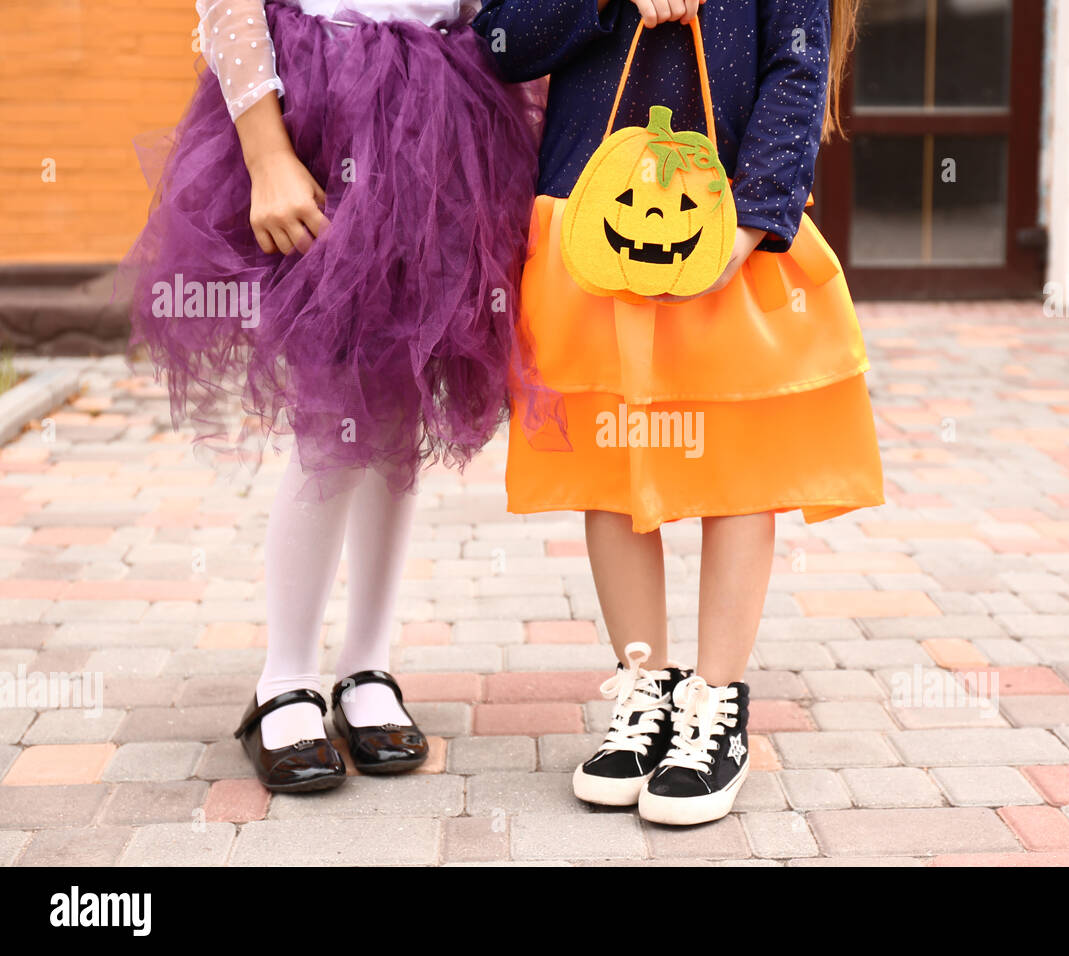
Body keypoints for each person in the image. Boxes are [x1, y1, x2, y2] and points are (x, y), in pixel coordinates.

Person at [474, 0, 882, 824]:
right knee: (612, 463)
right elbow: (505, 41)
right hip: (590, 224)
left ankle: (716, 706)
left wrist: (756, 219)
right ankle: (645, 692)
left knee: (737, 465)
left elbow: (796, 66)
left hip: (722, 224)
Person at [125, 0, 547, 791]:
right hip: (314, 110)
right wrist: (267, 154)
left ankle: (367, 663)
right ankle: (283, 676)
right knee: (334, 410)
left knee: (396, 405)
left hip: (441, 120)